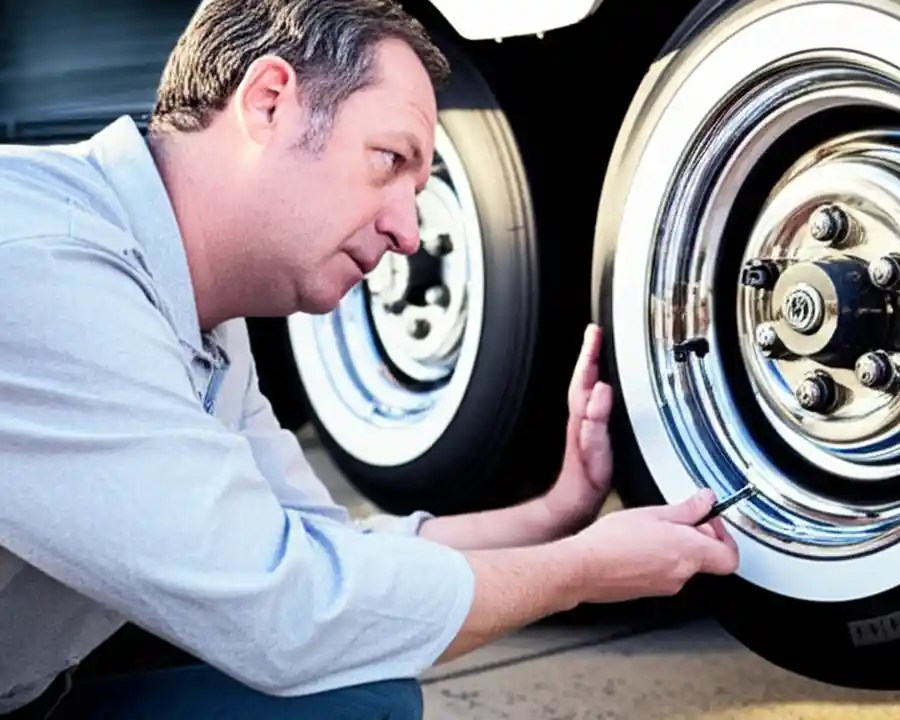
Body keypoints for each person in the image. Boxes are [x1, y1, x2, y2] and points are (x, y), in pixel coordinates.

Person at [0, 0, 740, 716]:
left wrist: (560, 512)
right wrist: (581, 574)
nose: (410, 234)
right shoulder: (44, 270)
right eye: (389, 160)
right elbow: (288, 611)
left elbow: (325, 547)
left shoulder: (199, 317)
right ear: (268, 101)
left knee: (359, 688)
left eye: (418, 190)